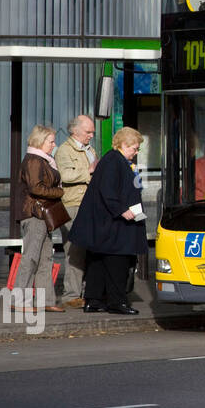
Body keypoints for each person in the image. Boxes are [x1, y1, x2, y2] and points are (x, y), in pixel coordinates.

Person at [68, 127, 147, 315]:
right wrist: (122, 210)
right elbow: (108, 190)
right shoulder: (114, 161)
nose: (136, 153)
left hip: (104, 225)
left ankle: (94, 300)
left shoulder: (113, 159)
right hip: (113, 225)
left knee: (98, 262)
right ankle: (116, 301)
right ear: (124, 144)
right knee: (117, 264)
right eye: (134, 148)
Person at [17, 125, 66, 313]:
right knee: (31, 256)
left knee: (46, 257)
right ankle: (21, 300)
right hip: (34, 213)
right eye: (51, 141)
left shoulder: (44, 160)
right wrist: (59, 192)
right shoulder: (34, 160)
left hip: (43, 214)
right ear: (40, 141)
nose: (54, 145)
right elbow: (36, 188)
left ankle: (46, 300)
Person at [53, 115, 97, 308]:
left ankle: (86, 291)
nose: (91, 135)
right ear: (75, 131)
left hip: (89, 204)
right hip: (73, 204)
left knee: (89, 249)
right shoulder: (64, 150)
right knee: (75, 250)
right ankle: (71, 294)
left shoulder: (89, 149)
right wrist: (88, 171)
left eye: (92, 132)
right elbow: (64, 175)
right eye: (88, 132)